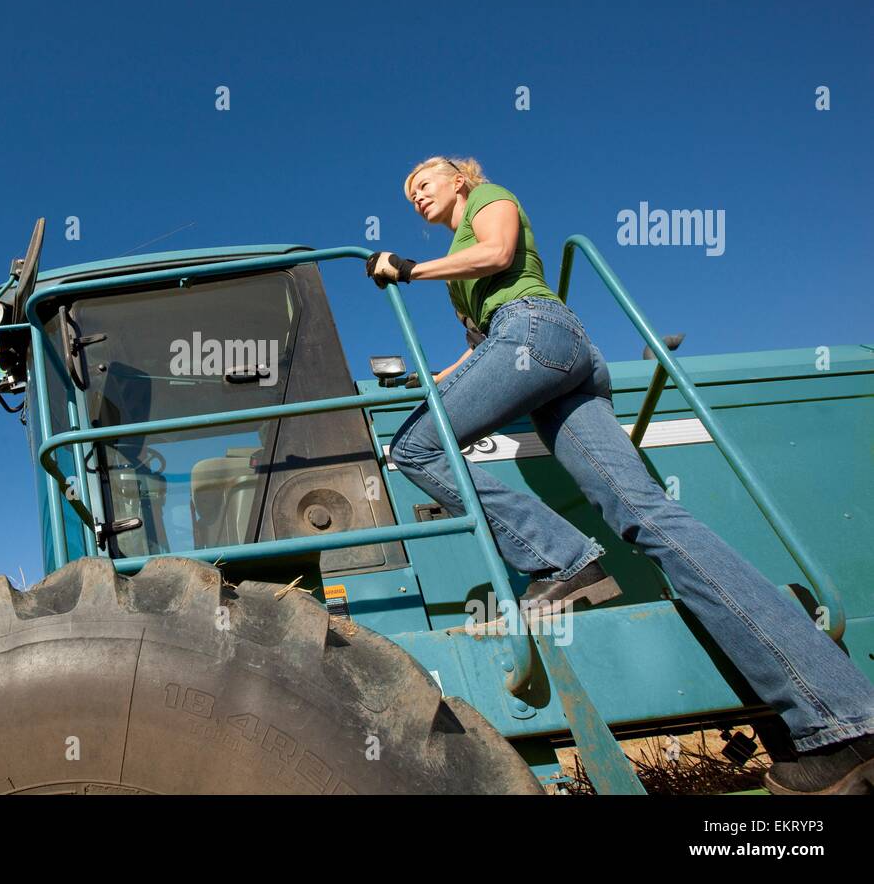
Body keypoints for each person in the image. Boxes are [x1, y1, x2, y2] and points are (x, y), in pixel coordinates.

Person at [365, 155, 874, 794]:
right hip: (545, 359)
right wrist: (430, 380)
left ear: (460, 179)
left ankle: (565, 560)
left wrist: (409, 270)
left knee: (412, 447)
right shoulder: (453, 277)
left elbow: (497, 254)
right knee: (649, 515)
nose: (415, 194)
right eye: (407, 192)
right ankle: (845, 719)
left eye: (424, 181)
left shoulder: (489, 201)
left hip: (538, 337)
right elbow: (477, 352)